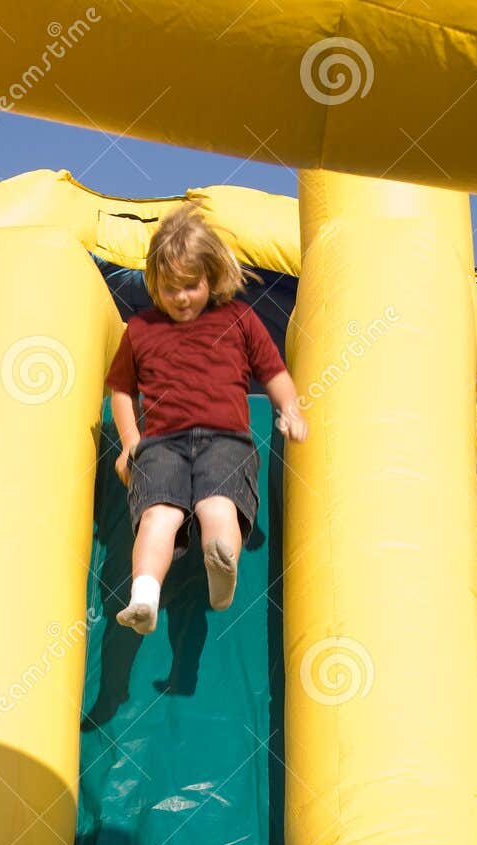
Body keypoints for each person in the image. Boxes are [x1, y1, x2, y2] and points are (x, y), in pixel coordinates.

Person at [104, 205, 307, 635]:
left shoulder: (237, 319)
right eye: (168, 287)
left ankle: (223, 564)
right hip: (161, 444)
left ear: (211, 277)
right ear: (154, 284)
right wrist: (129, 441)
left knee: (217, 506)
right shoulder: (141, 329)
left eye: (190, 286)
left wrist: (290, 409)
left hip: (225, 439)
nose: (180, 298)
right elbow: (121, 389)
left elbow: (274, 372)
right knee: (158, 514)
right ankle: (144, 597)